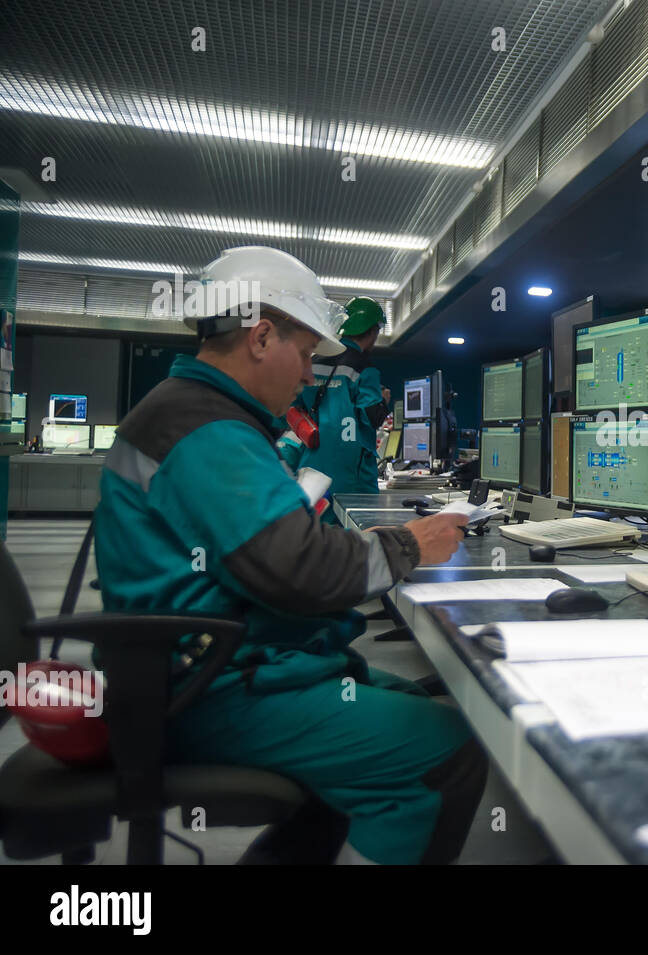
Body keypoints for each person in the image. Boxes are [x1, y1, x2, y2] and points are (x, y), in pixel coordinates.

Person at [94, 246, 486, 864]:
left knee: (405, 703)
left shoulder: (203, 416)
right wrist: (415, 543)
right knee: (443, 752)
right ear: (261, 336)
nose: (309, 375)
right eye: (305, 355)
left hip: (210, 667)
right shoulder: (206, 428)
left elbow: (267, 548)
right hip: (212, 689)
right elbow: (297, 571)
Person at [279, 296, 390, 521]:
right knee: (357, 538)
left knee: (313, 533)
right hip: (352, 477)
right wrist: (384, 400)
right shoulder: (365, 369)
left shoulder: (313, 362)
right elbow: (372, 416)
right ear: (372, 331)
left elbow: (291, 412)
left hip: (311, 471)